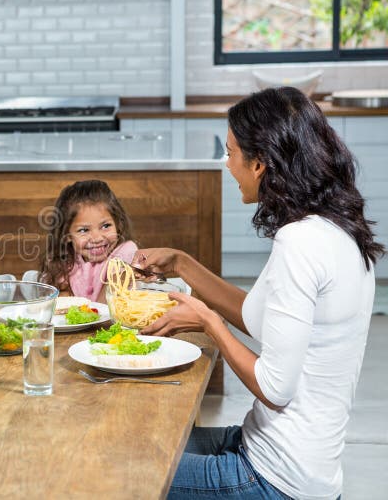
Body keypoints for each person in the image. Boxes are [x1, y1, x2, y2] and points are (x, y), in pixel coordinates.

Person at [133, 87, 384, 499]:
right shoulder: (334, 228)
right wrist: (182, 263)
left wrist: (207, 322)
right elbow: (256, 315)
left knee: (116, 468)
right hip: (283, 456)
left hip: (276, 481)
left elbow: (275, 388)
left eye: (231, 152)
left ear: (261, 163)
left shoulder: (300, 242)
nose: (225, 162)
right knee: (135, 440)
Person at [39, 179, 137, 302]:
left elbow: (109, 305)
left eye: (106, 226)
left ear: (118, 224)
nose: (97, 238)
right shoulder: (65, 261)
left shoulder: (126, 252)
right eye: (84, 230)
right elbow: (58, 302)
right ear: (67, 234)